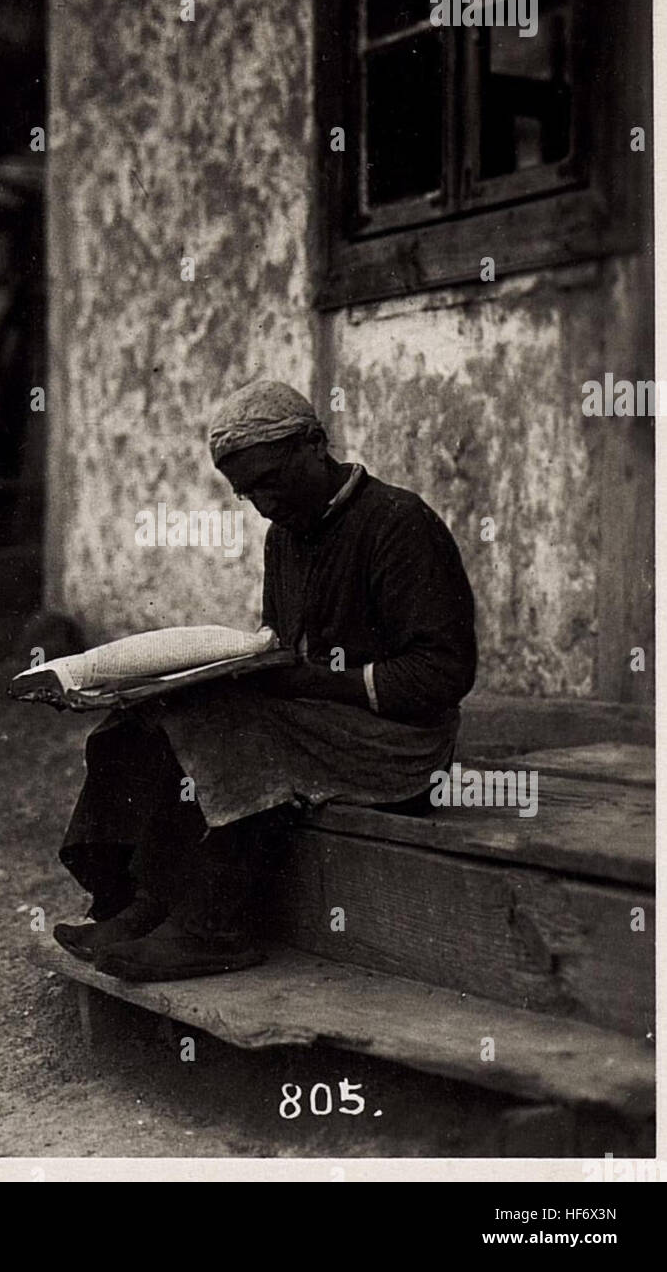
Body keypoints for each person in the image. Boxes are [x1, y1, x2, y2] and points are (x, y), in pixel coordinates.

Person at [53, 380, 477, 982]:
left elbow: (444, 673)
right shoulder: (286, 535)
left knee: (233, 729)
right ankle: (143, 903)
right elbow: (281, 642)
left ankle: (212, 930)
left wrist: (311, 682)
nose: (263, 505)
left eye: (271, 482)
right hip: (324, 723)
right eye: (247, 493)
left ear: (315, 444)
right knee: (151, 719)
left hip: (401, 746)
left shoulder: (398, 524)